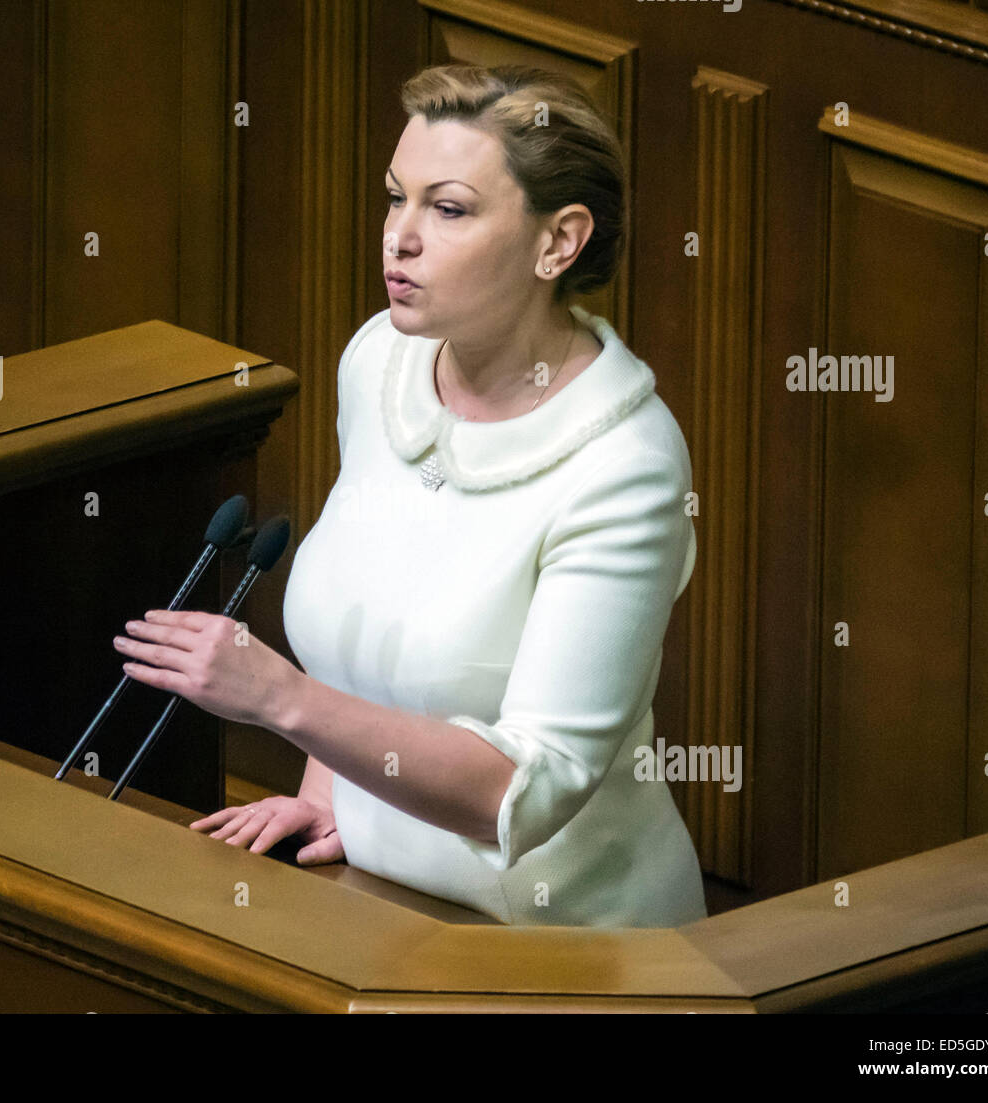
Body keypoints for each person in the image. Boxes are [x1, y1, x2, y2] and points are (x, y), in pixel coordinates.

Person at [114, 63, 707, 927]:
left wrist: (282, 700)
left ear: (559, 242)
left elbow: (523, 792)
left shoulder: (625, 465)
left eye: (450, 208)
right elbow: (368, 631)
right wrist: (331, 790)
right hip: (377, 900)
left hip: (558, 939)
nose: (400, 237)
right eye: (397, 198)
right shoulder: (381, 363)